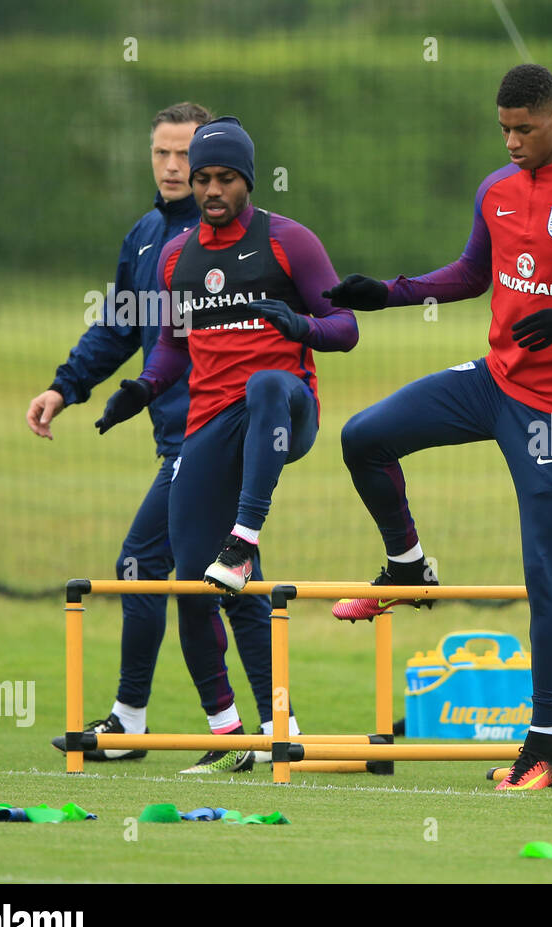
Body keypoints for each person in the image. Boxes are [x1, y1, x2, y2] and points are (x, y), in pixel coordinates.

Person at [326, 64, 552, 790]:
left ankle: (541, 746)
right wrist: (389, 294)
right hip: (493, 383)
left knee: (542, 570)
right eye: (504, 129)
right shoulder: (496, 190)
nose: (512, 141)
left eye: (524, 128)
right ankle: (408, 566)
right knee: (363, 436)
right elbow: (471, 273)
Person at [95, 115, 358, 771]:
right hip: (207, 427)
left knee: (266, 381)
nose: (210, 188)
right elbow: (170, 347)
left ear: (248, 179)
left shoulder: (289, 241)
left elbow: (346, 326)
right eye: (203, 177)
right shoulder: (174, 256)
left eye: (225, 178)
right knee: (192, 584)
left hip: (284, 412)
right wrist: (144, 388)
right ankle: (233, 730)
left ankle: (246, 535)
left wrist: (298, 323)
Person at [29, 103, 281, 771]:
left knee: (157, 564)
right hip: (177, 440)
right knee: (215, 574)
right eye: (161, 155)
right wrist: (65, 386)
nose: (173, 168)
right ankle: (241, 729)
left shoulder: (235, 237)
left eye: (185, 157)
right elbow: (119, 327)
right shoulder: (147, 238)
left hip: (218, 439)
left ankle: (240, 728)